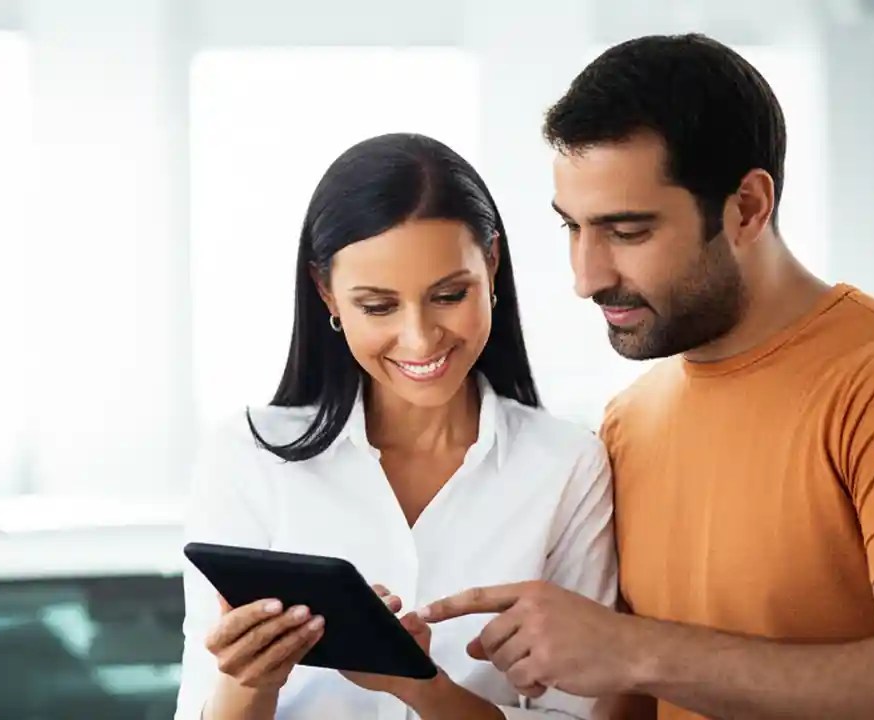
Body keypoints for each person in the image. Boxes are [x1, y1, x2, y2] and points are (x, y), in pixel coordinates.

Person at [417, 34, 874, 720]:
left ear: (747, 209)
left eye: (627, 231)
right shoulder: (627, 422)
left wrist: (634, 649)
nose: (586, 277)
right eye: (572, 229)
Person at [174, 133, 616, 719]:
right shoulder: (250, 457)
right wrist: (250, 683)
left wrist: (420, 686)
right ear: (326, 292)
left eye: (449, 295)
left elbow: (584, 716)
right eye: (378, 307)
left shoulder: (565, 465)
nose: (420, 338)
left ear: (492, 262)